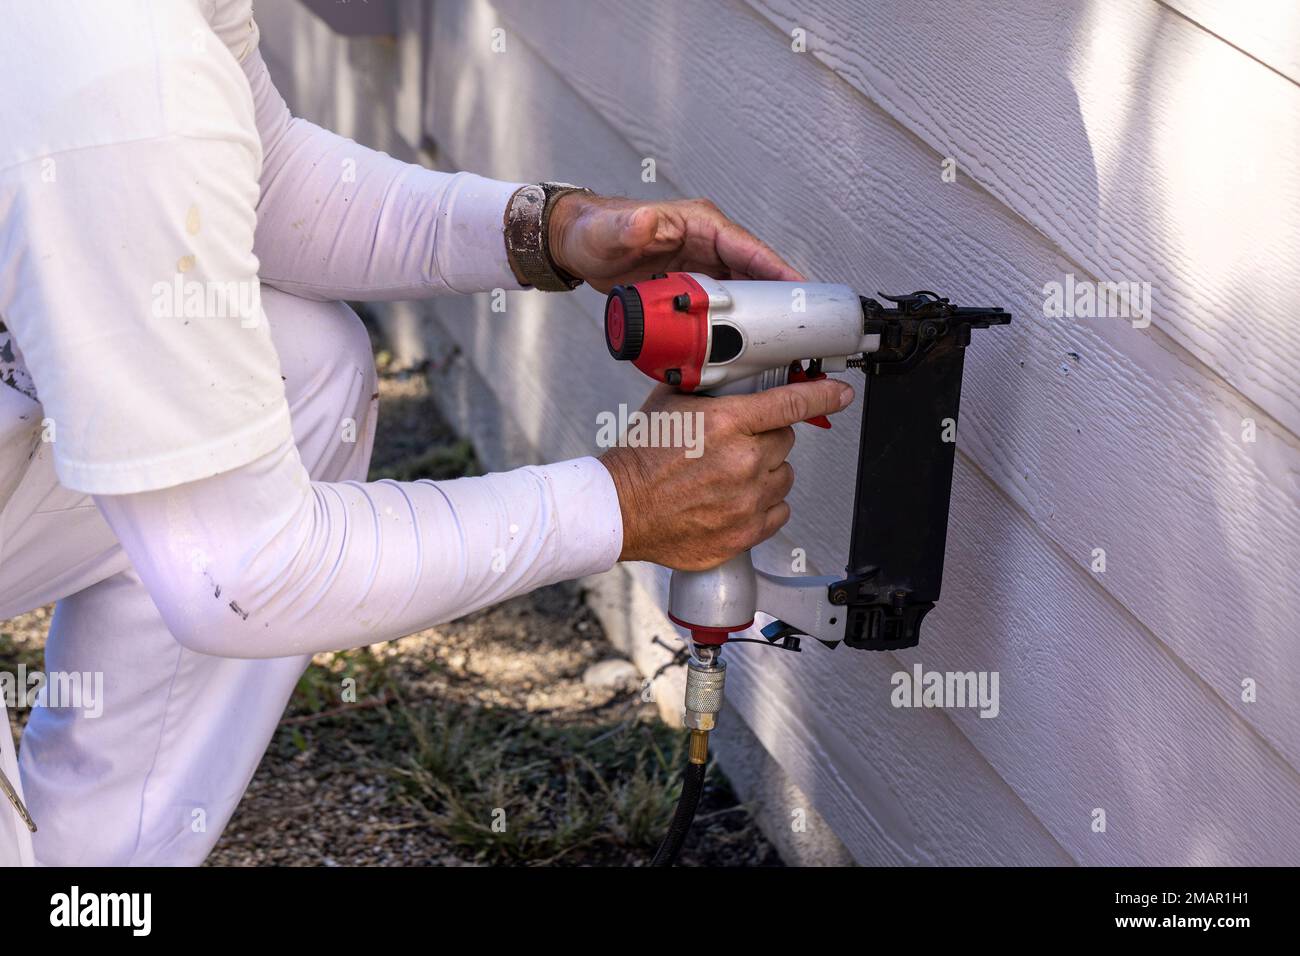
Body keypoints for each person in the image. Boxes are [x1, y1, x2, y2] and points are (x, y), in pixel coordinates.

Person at [0, 0, 854, 865]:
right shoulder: (116, 87)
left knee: (300, 364)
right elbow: (244, 574)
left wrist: (556, 231)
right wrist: (627, 503)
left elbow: (267, 178)